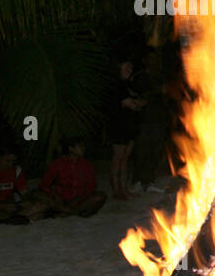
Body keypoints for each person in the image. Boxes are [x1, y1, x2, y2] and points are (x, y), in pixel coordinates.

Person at [31, 138, 107, 218]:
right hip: (60, 200)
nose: (83, 148)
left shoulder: (87, 164)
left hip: (79, 200)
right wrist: (54, 195)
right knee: (37, 194)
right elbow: (44, 185)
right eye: (80, 146)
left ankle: (64, 212)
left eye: (84, 146)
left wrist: (80, 197)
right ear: (71, 148)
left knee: (100, 196)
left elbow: (92, 186)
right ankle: (73, 212)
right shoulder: (58, 164)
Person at [109, 58, 145, 200]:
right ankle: (117, 190)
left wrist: (137, 104)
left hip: (130, 126)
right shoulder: (117, 86)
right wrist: (136, 104)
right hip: (119, 126)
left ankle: (124, 189)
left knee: (125, 159)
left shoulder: (130, 85)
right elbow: (133, 104)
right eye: (126, 66)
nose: (129, 69)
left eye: (130, 66)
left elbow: (142, 102)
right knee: (118, 158)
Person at [0, 144, 47, 223]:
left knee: (41, 204)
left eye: (13, 161)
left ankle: (7, 219)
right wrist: (1, 206)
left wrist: (35, 197)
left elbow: (24, 193)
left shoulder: (16, 170)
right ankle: (16, 219)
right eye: (8, 161)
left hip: (11, 206)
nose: (10, 164)